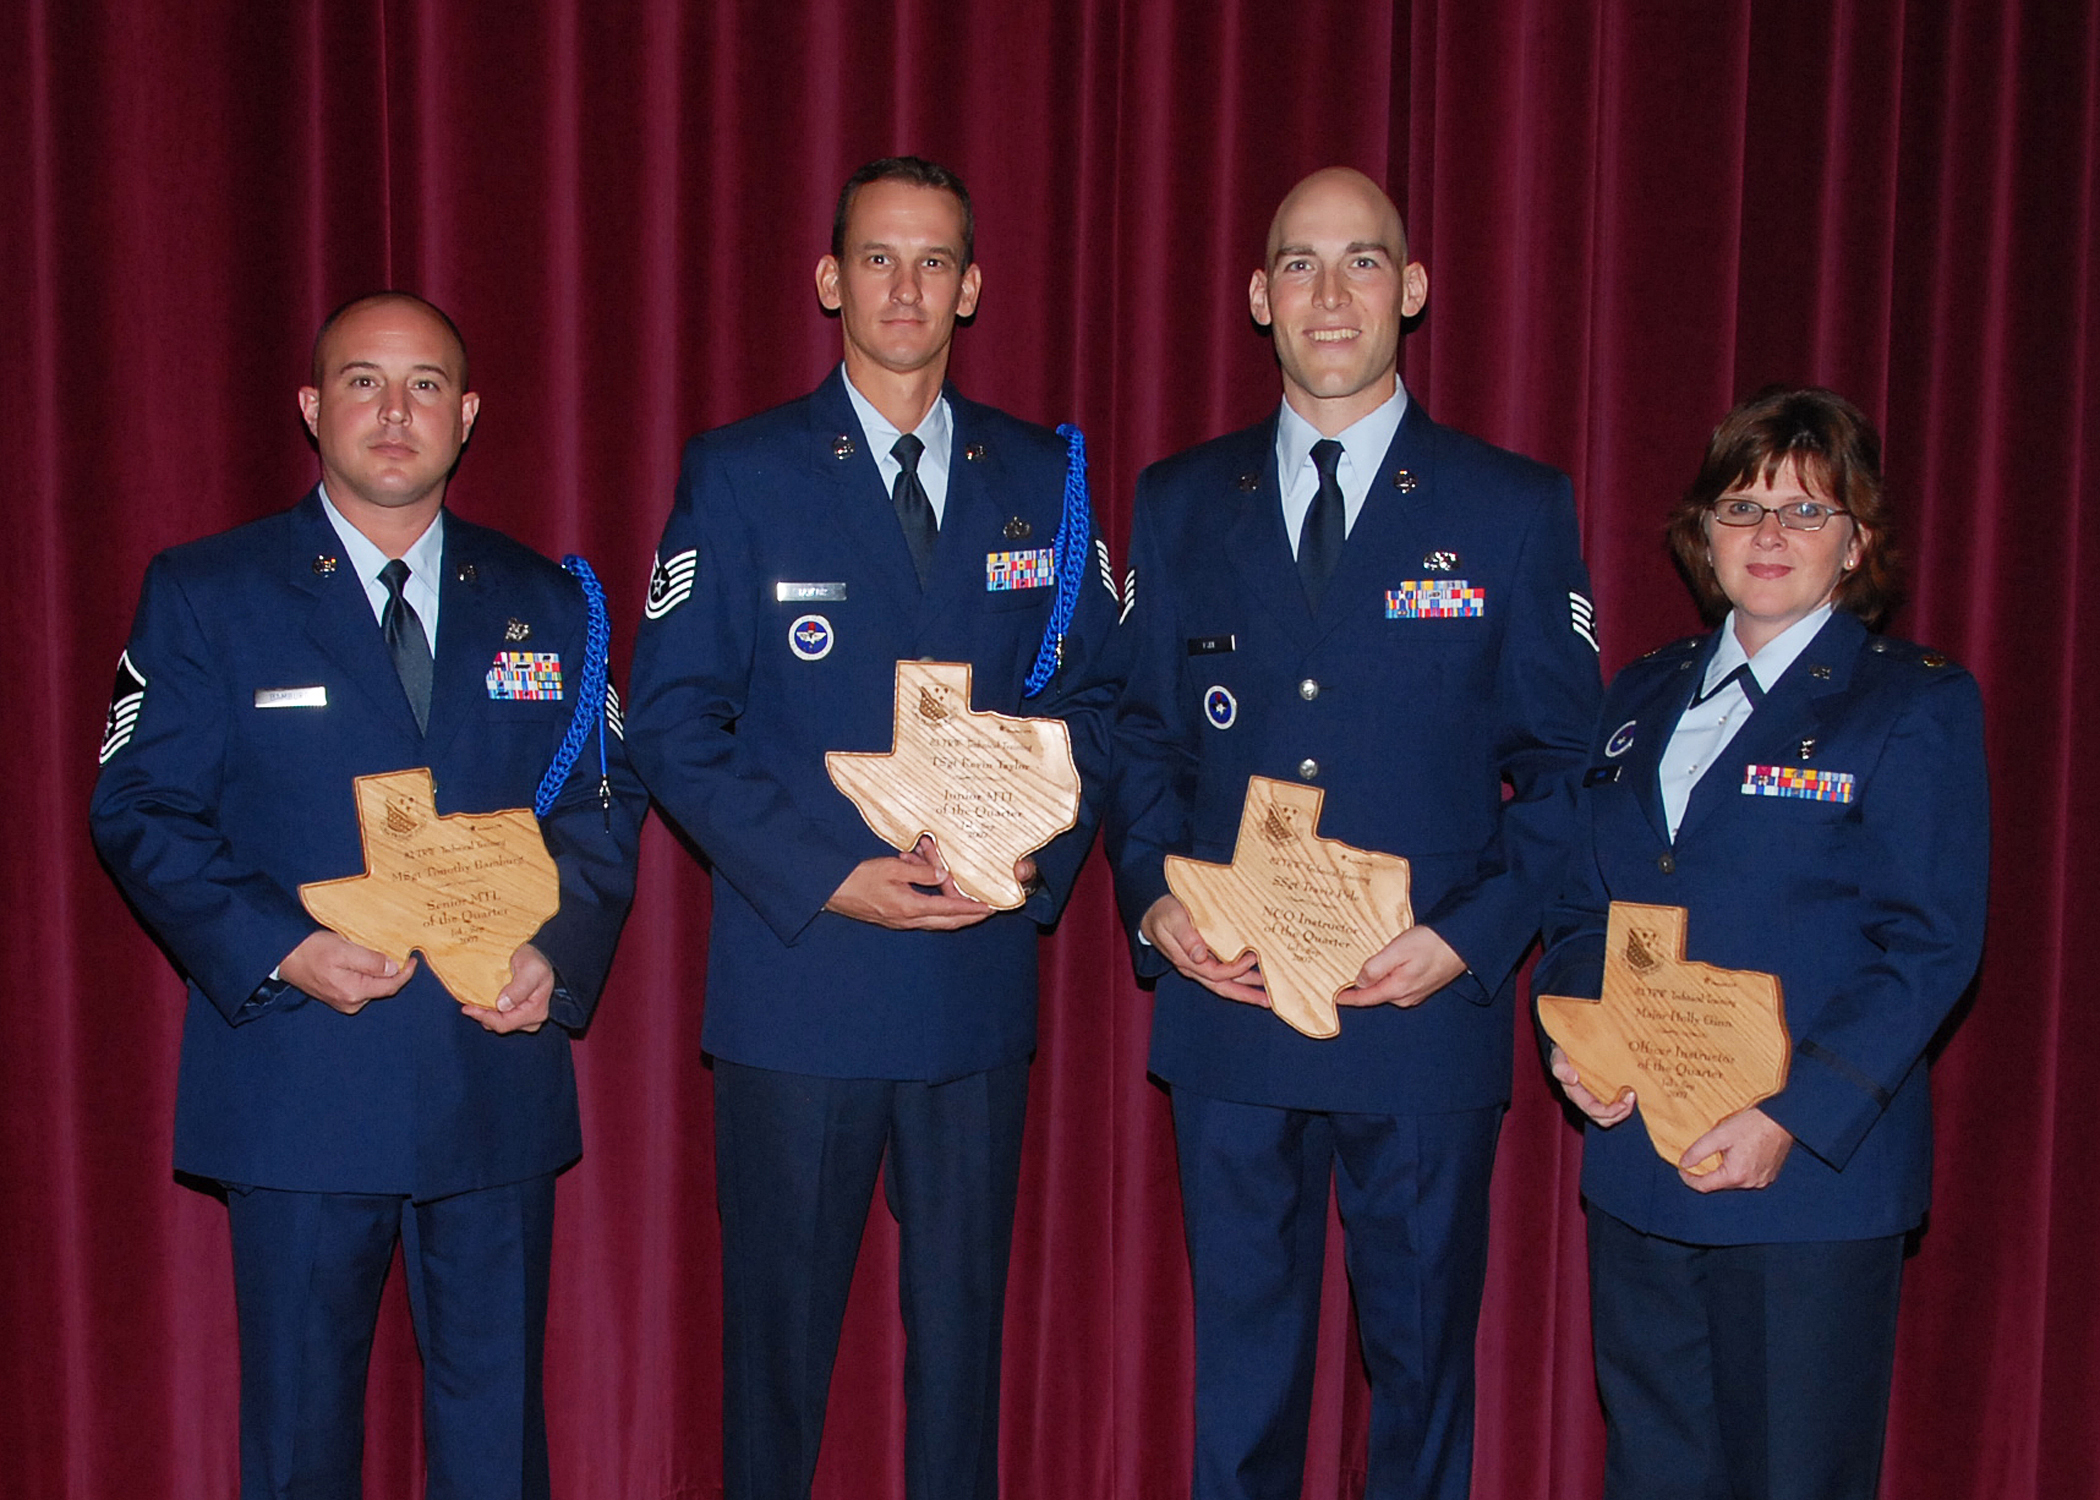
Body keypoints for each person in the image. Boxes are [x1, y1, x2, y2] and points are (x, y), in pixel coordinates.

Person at [89, 292, 643, 1500]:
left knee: (498, 1449)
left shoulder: (551, 603)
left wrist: (558, 953)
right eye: (363, 382)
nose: (396, 412)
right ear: (311, 406)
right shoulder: (207, 593)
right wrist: (284, 949)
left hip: (489, 1070)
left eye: (427, 385)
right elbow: (138, 809)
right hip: (301, 1080)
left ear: (469, 415)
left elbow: (601, 806)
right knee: (299, 1449)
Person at [1108, 166, 1602, 1499]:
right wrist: (1156, 904)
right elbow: (1140, 735)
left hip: (1420, 1015)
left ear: (1416, 289)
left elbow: (1569, 770)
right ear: (1258, 297)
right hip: (1233, 1008)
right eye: (1304, 264)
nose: (1334, 293)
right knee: (1243, 1391)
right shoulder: (1178, 500)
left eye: (1365, 260)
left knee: (1424, 1382)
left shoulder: (1511, 508)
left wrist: (1473, 943)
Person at [625, 156, 1115, 1500]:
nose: (909, 285)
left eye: (937, 259)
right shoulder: (739, 475)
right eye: (881, 258)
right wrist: (831, 875)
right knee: (776, 1367)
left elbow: (1099, 697)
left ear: (974, 286)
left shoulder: (1045, 480)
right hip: (802, 993)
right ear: (832, 279)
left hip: (973, 984)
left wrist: (1030, 861)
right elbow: (669, 721)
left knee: (963, 1368)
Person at [1535, 386, 1988, 1499]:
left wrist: (1793, 1115)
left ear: (1856, 545)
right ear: (1703, 535)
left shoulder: (1909, 705)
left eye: (1805, 510)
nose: (1770, 535)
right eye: (1742, 508)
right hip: (1643, 1167)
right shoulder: (1639, 695)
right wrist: (1579, 1033)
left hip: (1810, 1181)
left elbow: (1931, 944)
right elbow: (1585, 901)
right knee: (1654, 1471)